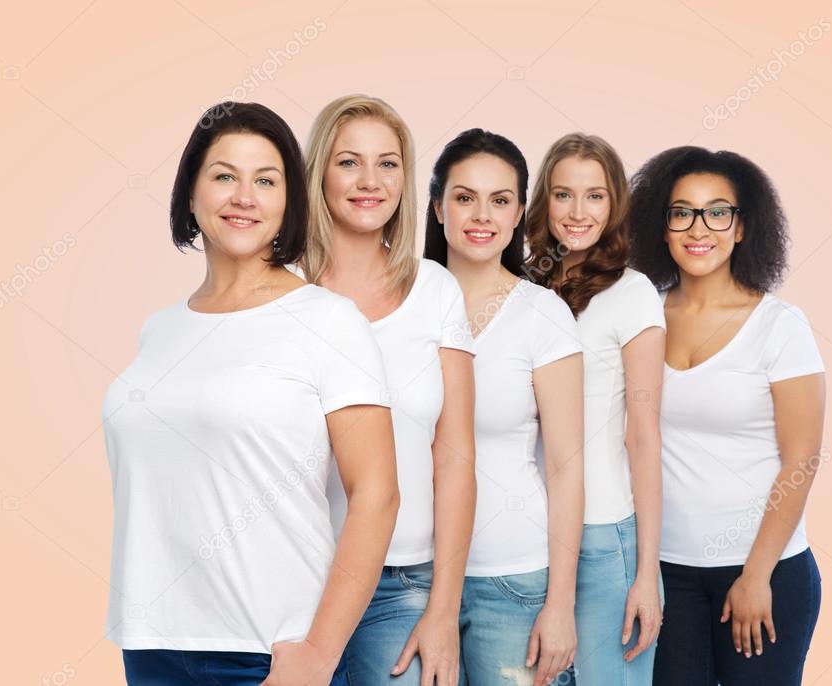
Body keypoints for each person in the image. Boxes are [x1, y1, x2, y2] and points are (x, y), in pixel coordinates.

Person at [103, 102, 399, 686]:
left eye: (266, 180)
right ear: (191, 194)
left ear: (287, 202)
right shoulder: (159, 329)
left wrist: (319, 652)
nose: (245, 196)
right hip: (151, 643)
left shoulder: (329, 322)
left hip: (266, 650)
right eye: (224, 176)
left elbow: (377, 494)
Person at [628, 146, 825, 686]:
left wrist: (756, 574)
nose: (700, 228)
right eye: (682, 211)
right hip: (665, 573)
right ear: (661, 226)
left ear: (741, 228)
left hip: (765, 572)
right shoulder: (641, 316)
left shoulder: (780, 325)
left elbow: (802, 457)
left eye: (718, 212)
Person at [299, 95, 477, 686]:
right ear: (319, 171)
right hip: (295, 584)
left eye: (388, 163)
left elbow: (454, 458)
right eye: (349, 162)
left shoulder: (436, 289)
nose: (370, 182)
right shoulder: (283, 291)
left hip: (405, 583)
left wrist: (444, 612)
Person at [424, 128, 584, 686]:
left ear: (519, 213)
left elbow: (566, 469)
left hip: (512, 579)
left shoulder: (542, 315)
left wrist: (560, 606)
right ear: (437, 206)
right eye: (465, 197)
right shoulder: (401, 306)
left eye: (500, 200)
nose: (481, 215)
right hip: (408, 581)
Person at [525, 133, 666, 685]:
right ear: (544, 201)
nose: (577, 212)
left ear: (614, 207)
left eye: (595, 196)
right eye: (563, 195)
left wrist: (646, 573)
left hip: (603, 535)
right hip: (528, 533)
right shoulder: (525, 286)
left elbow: (644, 434)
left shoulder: (632, 294)